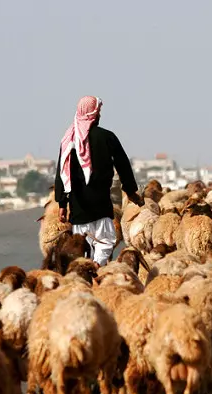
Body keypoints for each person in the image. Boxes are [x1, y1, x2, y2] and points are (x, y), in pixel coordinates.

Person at [54, 96, 142, 266]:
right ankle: (97, 269)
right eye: (98, 111)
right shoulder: (107, 137)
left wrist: (62, 204)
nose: (99, 114)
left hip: (78, 208)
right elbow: (123, 165)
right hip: (101, 204)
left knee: (80, 247)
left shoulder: (69, 140)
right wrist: (131, 192)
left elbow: (61, 173)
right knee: (105, 242)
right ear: (93, 113)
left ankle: (86, 273)